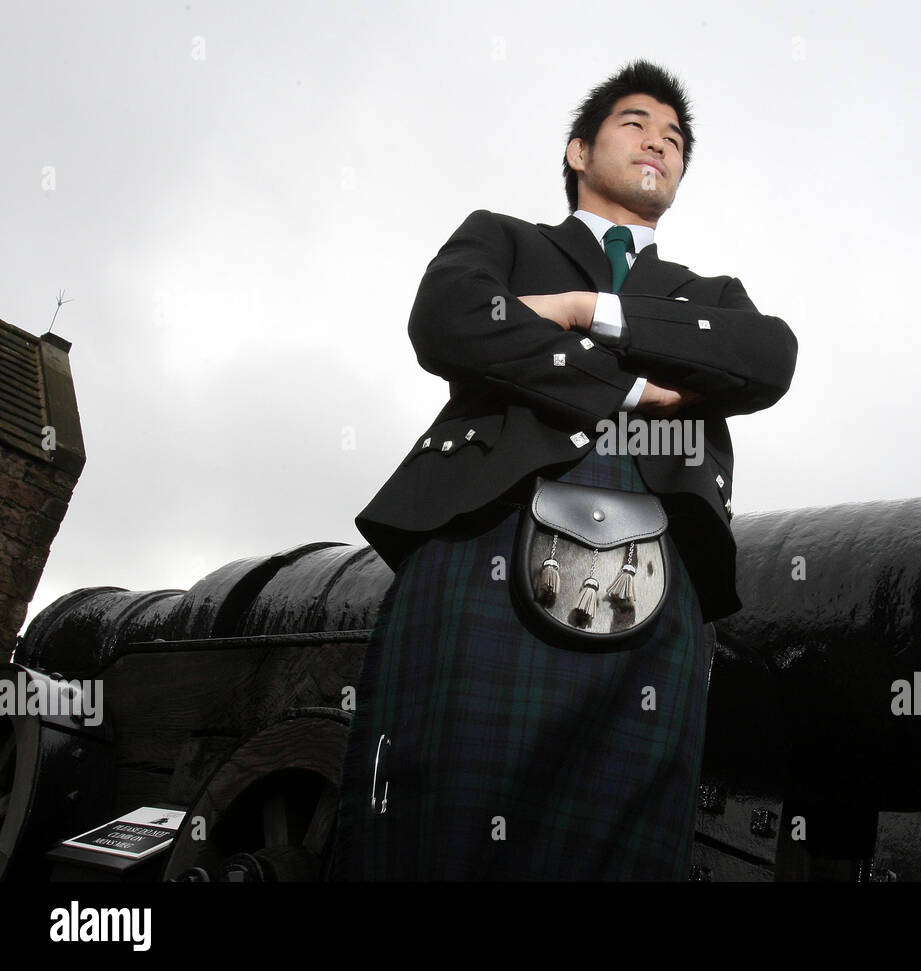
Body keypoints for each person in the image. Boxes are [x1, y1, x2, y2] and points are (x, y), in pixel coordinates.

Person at [328, 59, 797, 881]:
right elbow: (450, 320)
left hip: (662, 574)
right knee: (436, 825)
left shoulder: (711, 292)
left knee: (622, 846)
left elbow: (765, 357)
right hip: (489, 539)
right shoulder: (507, 239)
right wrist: (629, 387)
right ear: (578, 151)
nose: (660, 141)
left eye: (676, 138)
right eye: (635, 124)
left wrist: (587, 312)